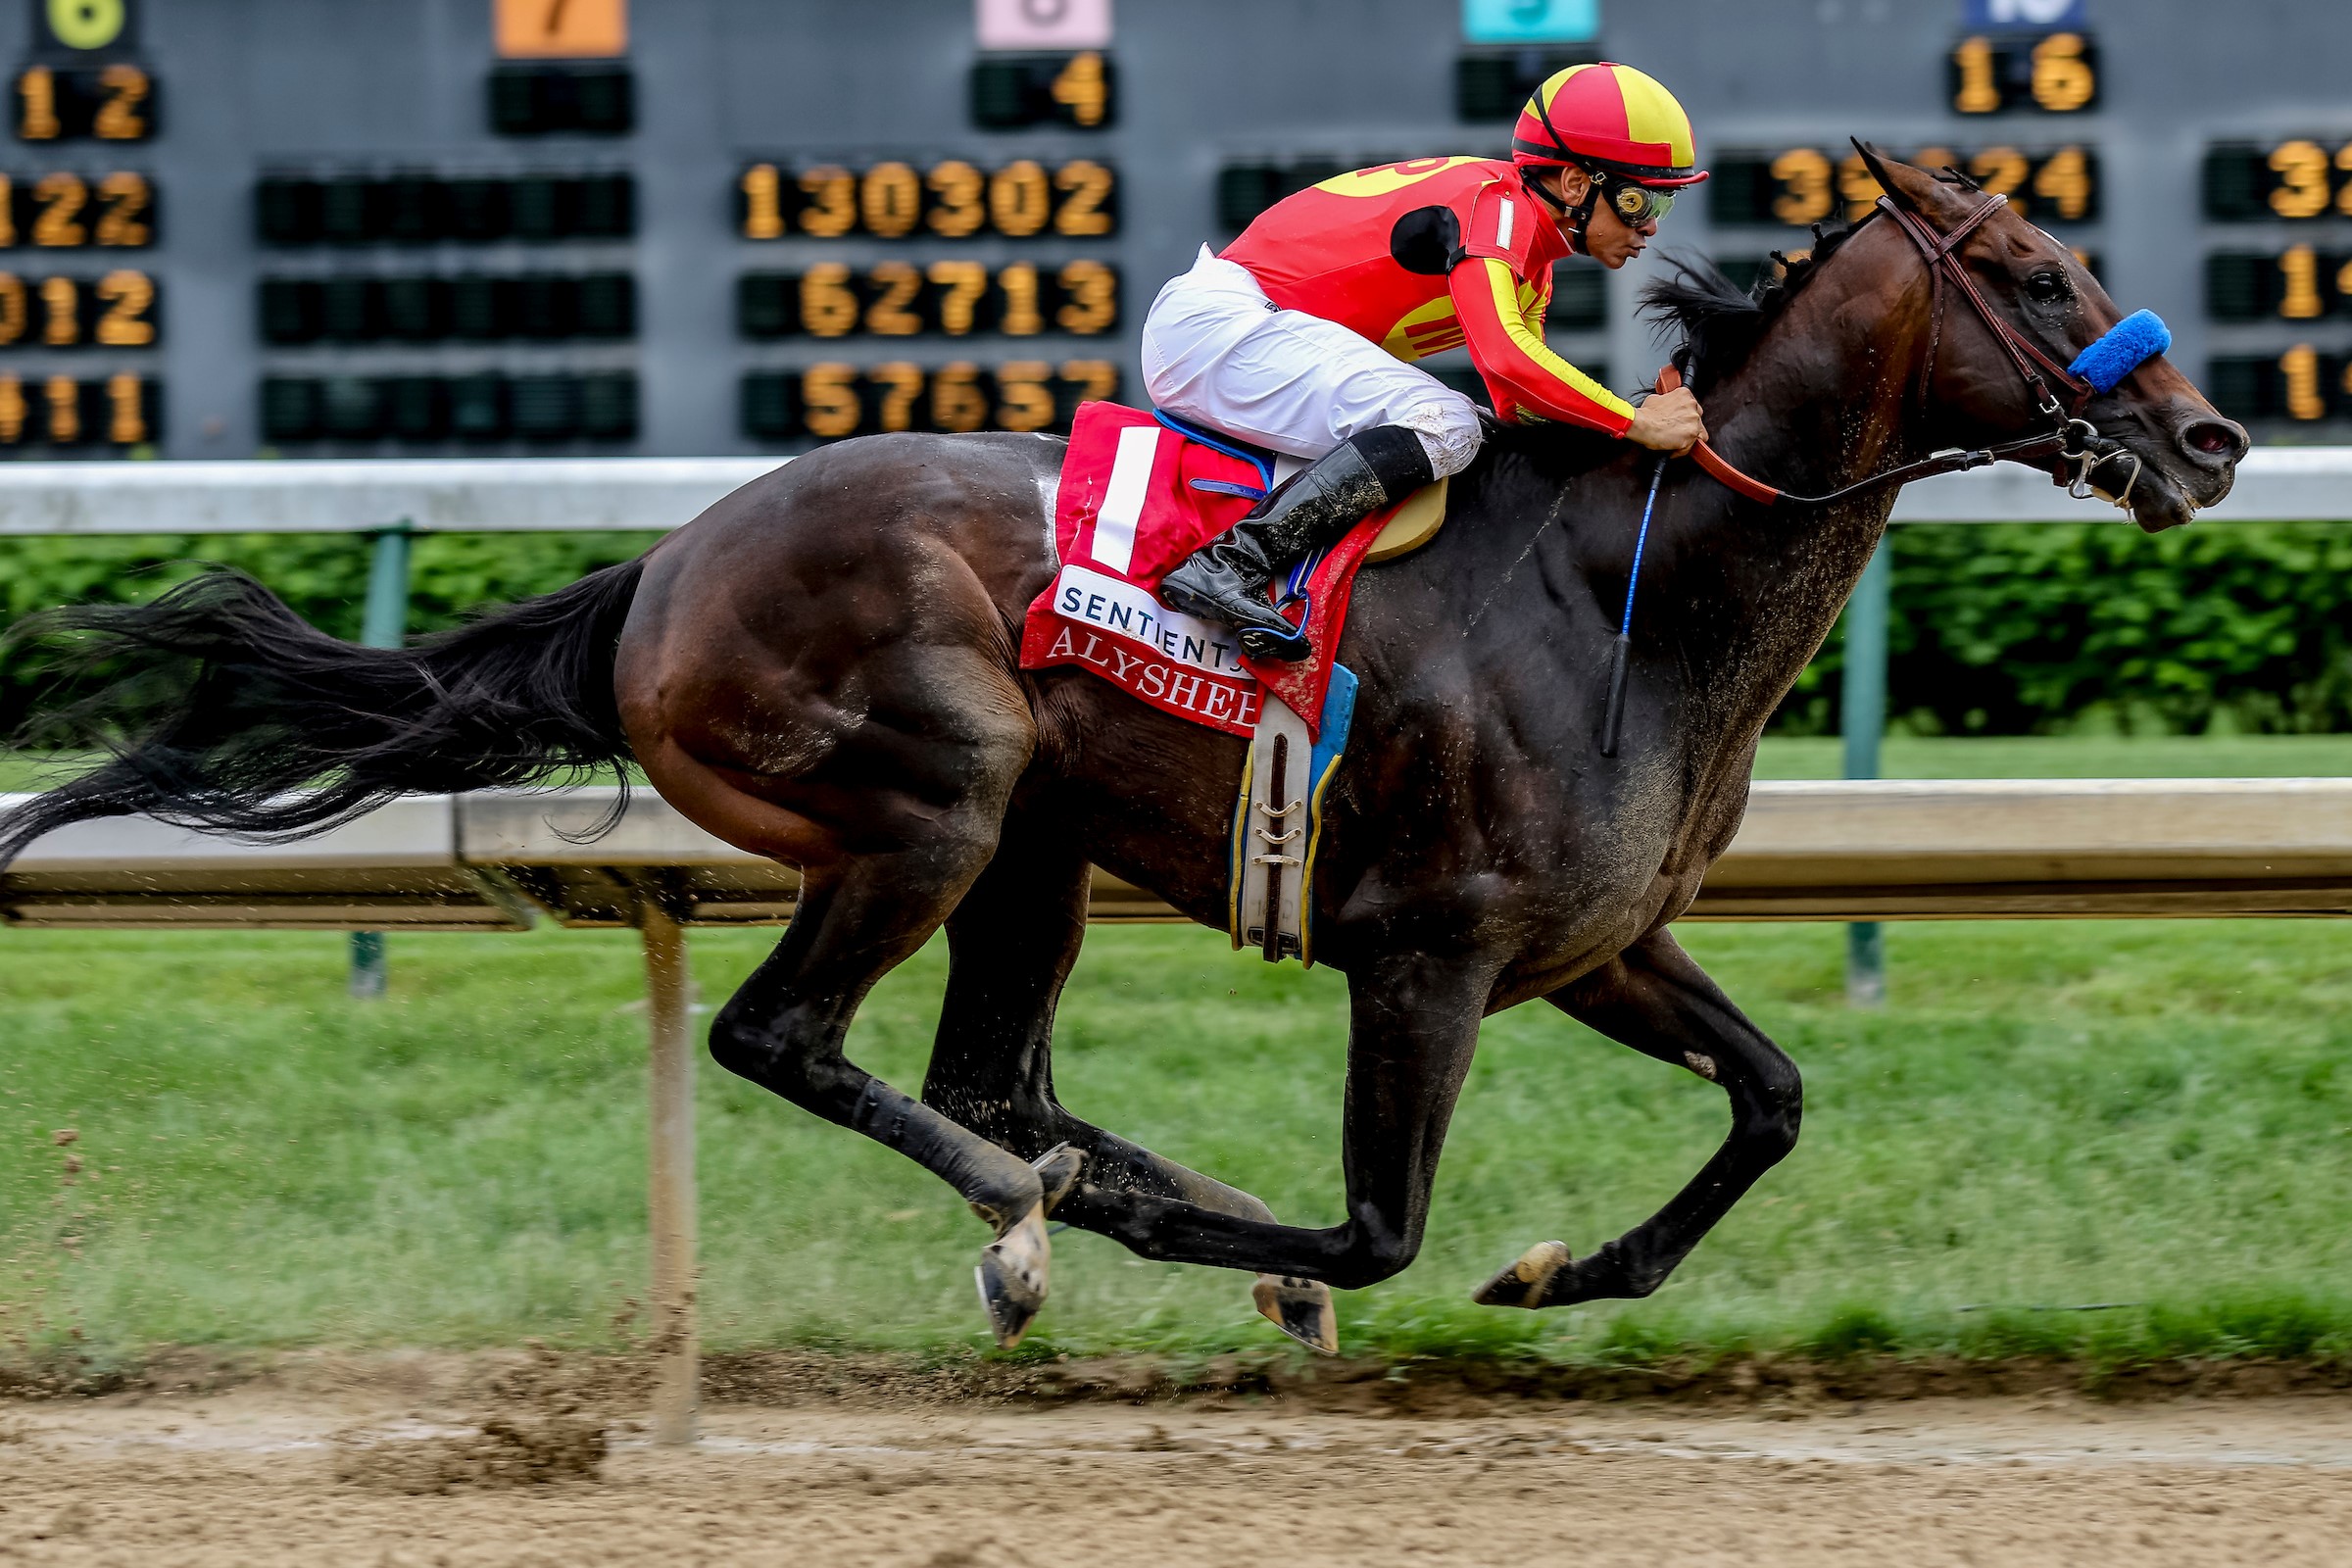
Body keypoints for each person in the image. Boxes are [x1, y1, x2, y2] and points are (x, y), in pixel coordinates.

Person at [1146, 62, 1712, 662]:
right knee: (1447, 423)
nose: (1651, 226)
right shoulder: (1498, 208)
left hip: (1239, 332)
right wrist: (1635, 420)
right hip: (1222, 325)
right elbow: (1509, 359)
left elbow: (1519, 406)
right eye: (1638, 199)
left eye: (1665, 204)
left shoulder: (1531, 267)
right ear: (1575, 184)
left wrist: (1624, 446)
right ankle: (1231, 563)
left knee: (1476, 433)